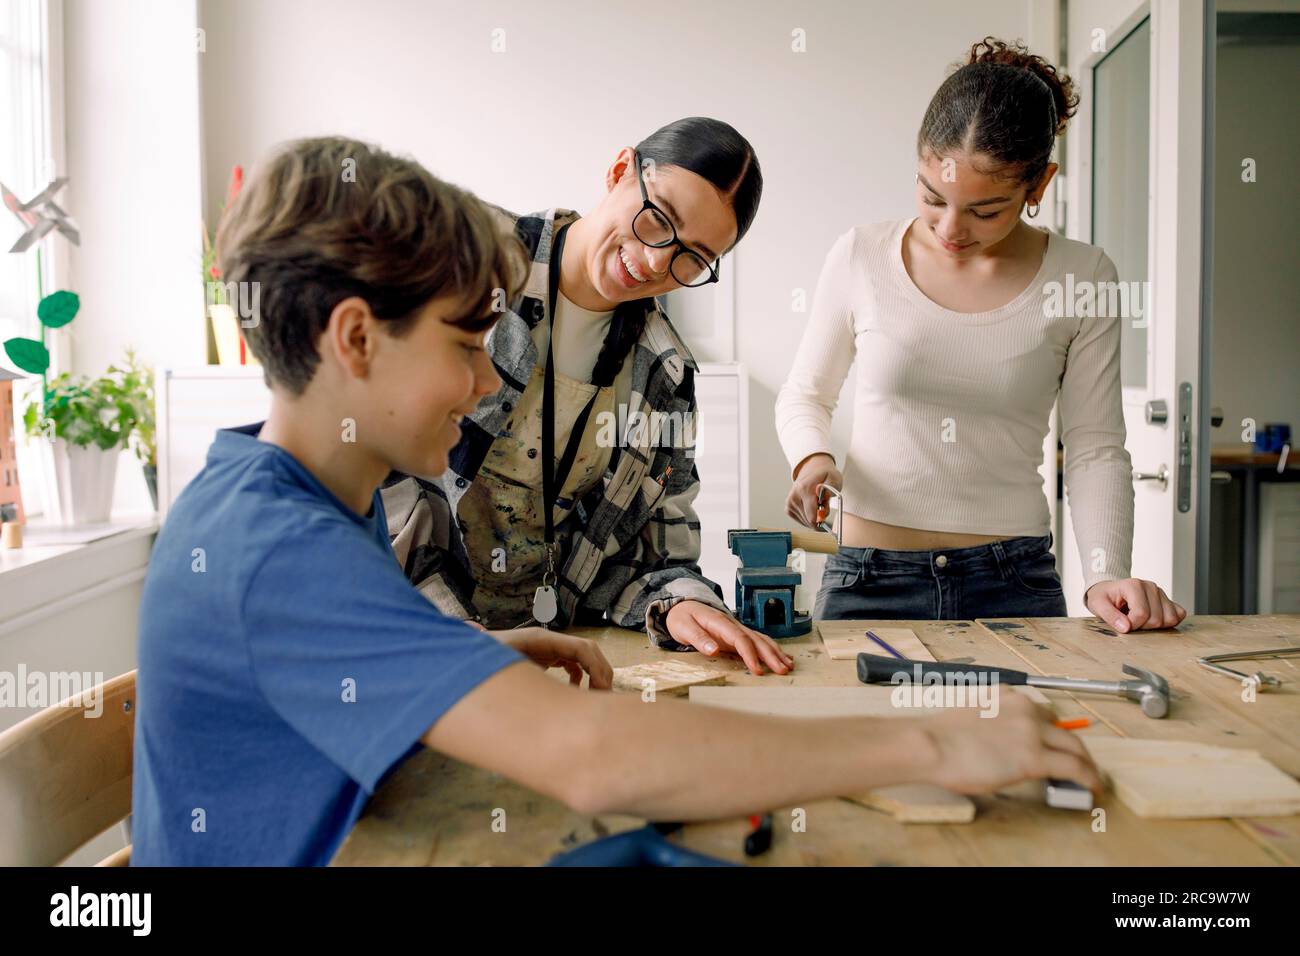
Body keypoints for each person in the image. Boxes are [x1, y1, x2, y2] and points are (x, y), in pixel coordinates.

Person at [131, 136, 1099, 865]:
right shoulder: (278, 550)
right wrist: (929, 739)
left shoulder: (280, 499)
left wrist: (465, 661)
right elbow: (592, 757)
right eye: (468, 346)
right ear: (355, 339)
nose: (482, 386)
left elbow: (323, 664)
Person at [777, 38, 1186, 633]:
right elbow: (806, 395)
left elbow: (1096, 446)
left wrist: (1104, 572)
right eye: (931, 196)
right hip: (870, 578)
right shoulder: (862, 255)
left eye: (986, 211)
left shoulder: (1084, 275)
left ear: (1039, 184)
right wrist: (812, 459)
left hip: (1012, 581)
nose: (950, 228)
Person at [382, 117, 794, 676]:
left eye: (693, 258)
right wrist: (456, 638)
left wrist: (680, 602)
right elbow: (374, 469)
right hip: (412, 639)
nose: (655, 262)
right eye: (659, 220)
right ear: (621, 170)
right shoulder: (464, 259)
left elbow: (655, 548)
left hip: (555, 654)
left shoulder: (665, 376)